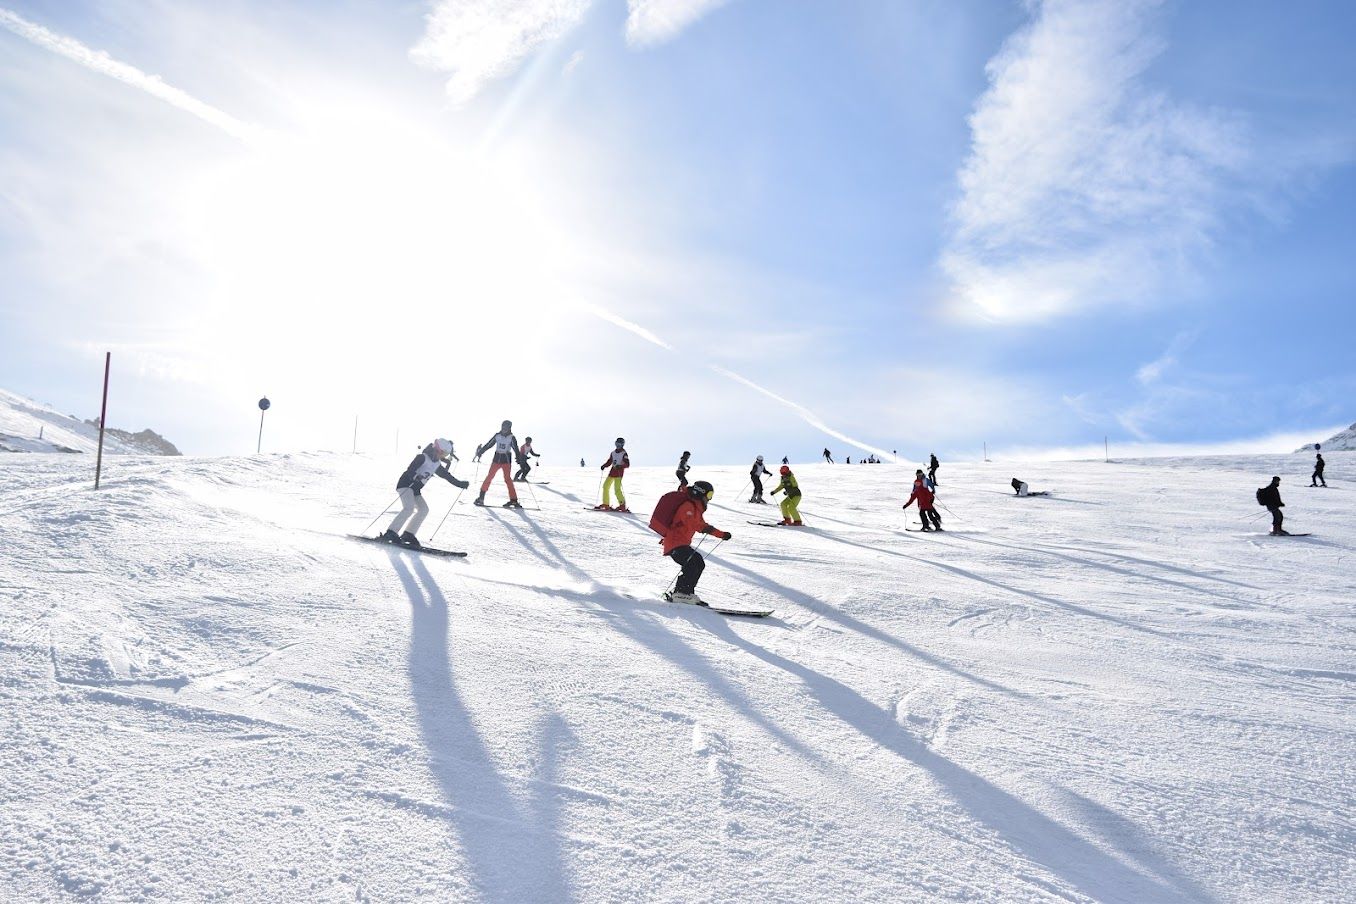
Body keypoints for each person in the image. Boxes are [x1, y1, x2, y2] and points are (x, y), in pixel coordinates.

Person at [377, 438, 469, 547]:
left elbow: (447, 476)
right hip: (405, 485)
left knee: (424, 509)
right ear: (438, 450)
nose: (444, 456)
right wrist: (415, 476)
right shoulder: (422, 457)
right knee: (409, 508)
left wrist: (460, 484)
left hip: (415, 490)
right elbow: (410, 470)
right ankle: (391, 533)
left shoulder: (436, 464)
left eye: (446, 454)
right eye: (443, 453)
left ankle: (408, 534)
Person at [661, 480, 731, 605]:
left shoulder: (695, 508)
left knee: (698, 563)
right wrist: (713, 531)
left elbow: (701, 524)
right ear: (700, 493)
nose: (709, 499)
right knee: (693, 563)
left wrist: (720, 534)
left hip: (679, 543)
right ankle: (681, 593)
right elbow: (694, 524)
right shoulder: (688, 506)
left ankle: (686, 593)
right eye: (709, 495)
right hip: (675, 543)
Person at [474, 420, 522, 508]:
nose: (504, 429)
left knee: (507, 479)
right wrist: (481, 451)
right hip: (496, 459)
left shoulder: (511, 437)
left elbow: (515, 448)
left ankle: (514, 500)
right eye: (503, 427)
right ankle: (481, 498)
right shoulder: (497, 436)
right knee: (489, 477)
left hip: (506, 460)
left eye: (506, 427)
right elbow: (489, 444)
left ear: (509, 428)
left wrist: (518, 458)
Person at [596, 437, 631, 512]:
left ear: (622, 445)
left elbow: (627, 464)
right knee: (605, 486)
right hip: (612, 473)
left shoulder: (624, 453)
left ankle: (622, 505)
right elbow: (609, 462)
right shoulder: (613, 453)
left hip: (619, 473)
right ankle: (606, 504)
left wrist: (620, 466)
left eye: (619, 444)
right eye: (617, 443)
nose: (618, 445)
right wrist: (604, 466)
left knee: (617, 489)